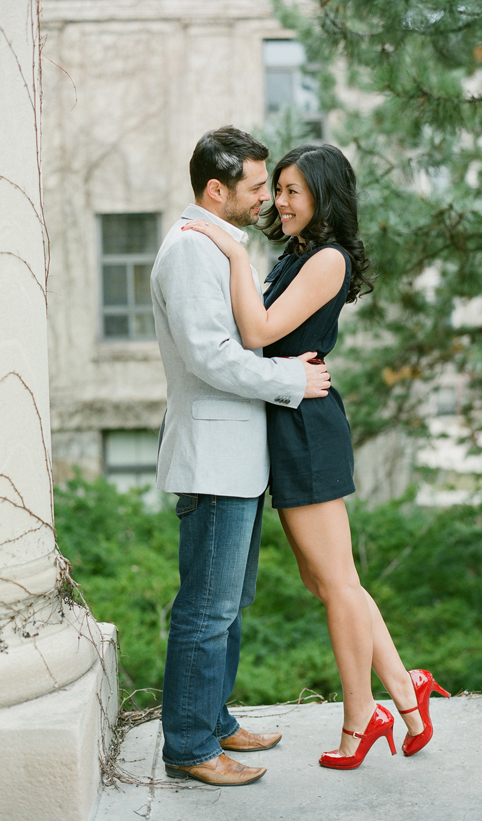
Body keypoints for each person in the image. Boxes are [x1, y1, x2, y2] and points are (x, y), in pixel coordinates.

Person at [183, 143, 450, 770]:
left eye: (292, 191)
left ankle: (363, 716)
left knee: (336, 583)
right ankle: (407, 695)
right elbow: (264, 336)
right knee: (329, 581)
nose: (279, 201)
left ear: (323, 195)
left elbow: (255, 333)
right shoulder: (298, 253)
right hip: (288, 417)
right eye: (275, 189)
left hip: (306, 425)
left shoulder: (326, 260)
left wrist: (231, 248)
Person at [150, 127, 331, 787]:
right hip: (213, 456)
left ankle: (214, 720)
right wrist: (291, 380)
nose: (265, 198)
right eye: (256, 187)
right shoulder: (194, 250)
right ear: (216, 189)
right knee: (205, 607)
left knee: (228, 602)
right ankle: (192, 746)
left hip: (234, 456)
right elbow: (212, 357)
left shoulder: (218, 244)